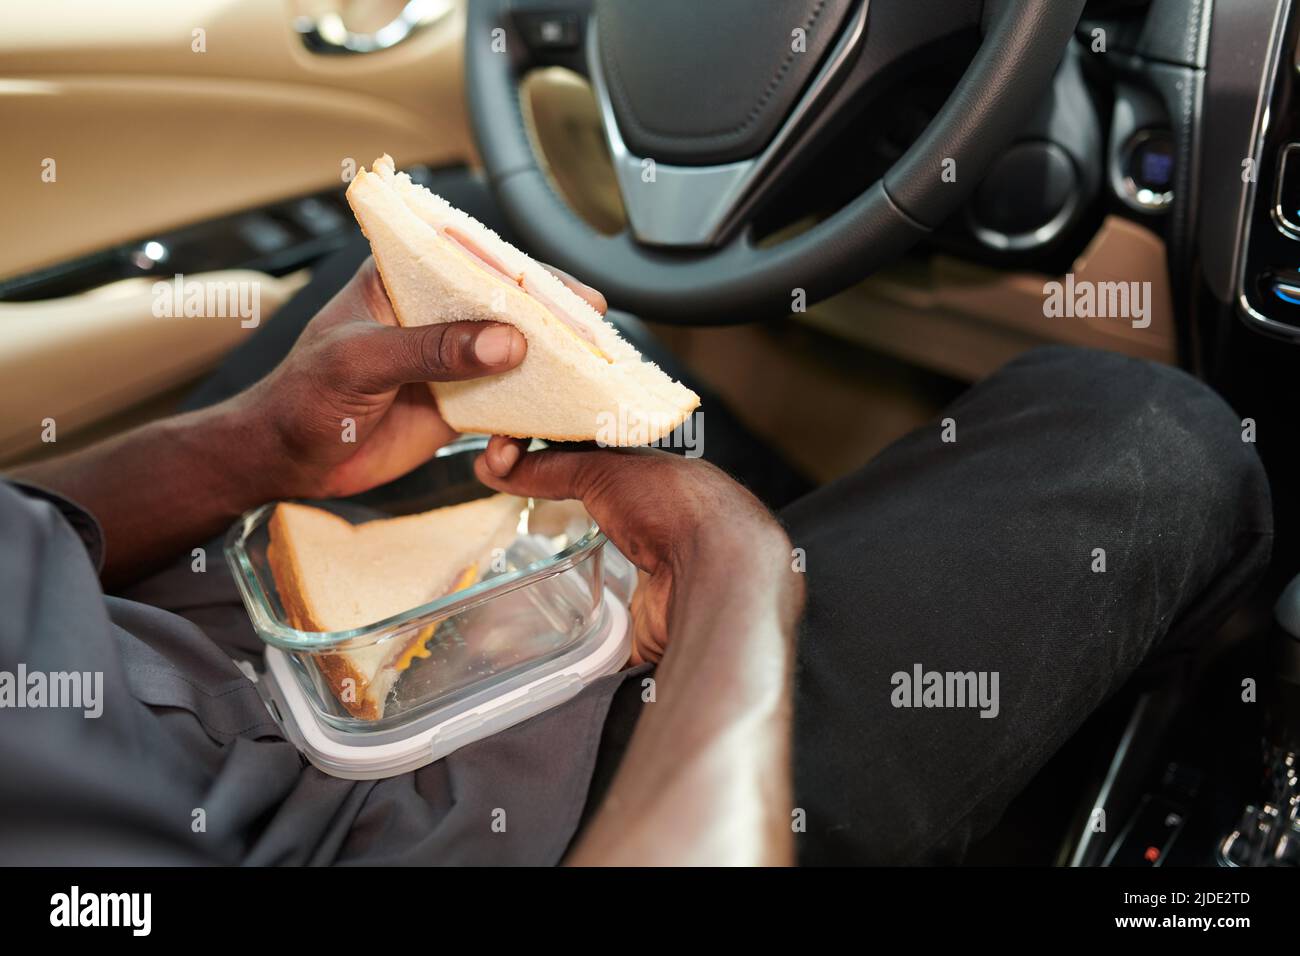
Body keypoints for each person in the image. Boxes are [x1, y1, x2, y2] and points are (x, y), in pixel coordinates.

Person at [0, 250, 1271, 866]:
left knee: (474, 277)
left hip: (214, 607)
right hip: (476, 836)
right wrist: (731, 576)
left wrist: (260, 447)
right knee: (1147, 437)